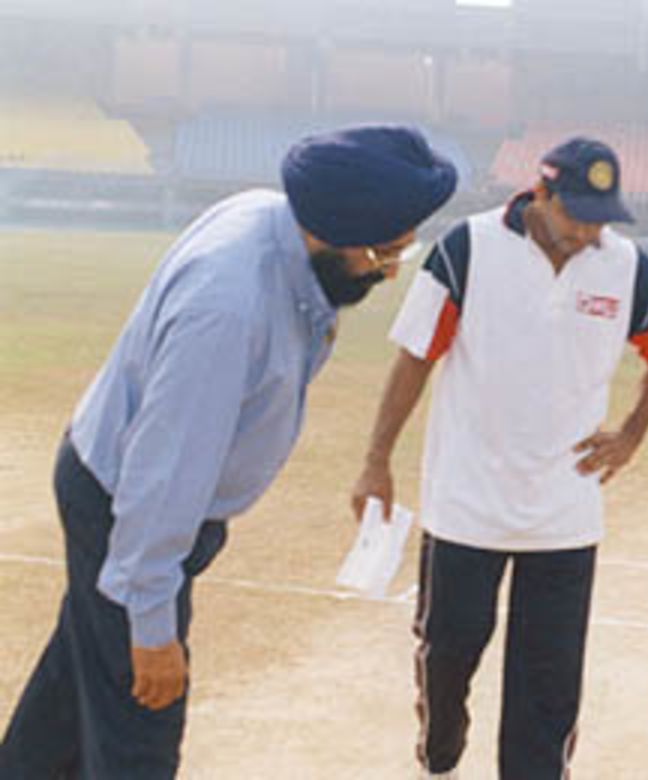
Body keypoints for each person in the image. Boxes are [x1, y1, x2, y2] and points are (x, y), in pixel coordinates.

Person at [0, 125, 457, 778]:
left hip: (124, 487)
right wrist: (151, 625)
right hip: (127, 511)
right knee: (140, 726)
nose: (386, 273)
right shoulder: (228, 310)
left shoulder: (272, 224)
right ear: (337, 233)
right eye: (383, 256)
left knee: (74, 688)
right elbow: (162, 477)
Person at [351, 137, 648, 779]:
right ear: (540, 194)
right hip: (465, 502)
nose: (591, 231)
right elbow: (415, 356)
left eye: (602, 217)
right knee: (448, 654)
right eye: (577, 214)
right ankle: (441, 757)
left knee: (549, 683)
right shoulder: (467, 249)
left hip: (566, 511)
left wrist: (631, 434)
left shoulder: (629, 268)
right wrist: (376, 460)